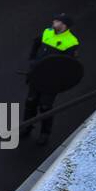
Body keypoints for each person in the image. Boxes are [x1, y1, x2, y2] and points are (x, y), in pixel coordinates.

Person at [22, 13, 80, 146]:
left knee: (45, 106)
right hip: (37, 76)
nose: (53, 21)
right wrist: (32, 60)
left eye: (57, 21)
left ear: (63, 25)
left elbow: (70, 66)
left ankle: (45, 133)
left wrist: (60, 81)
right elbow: (36, 43)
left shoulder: (71, 42)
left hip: (52, 81)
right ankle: (26, 127)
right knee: (30, 102)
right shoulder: (47, 32)